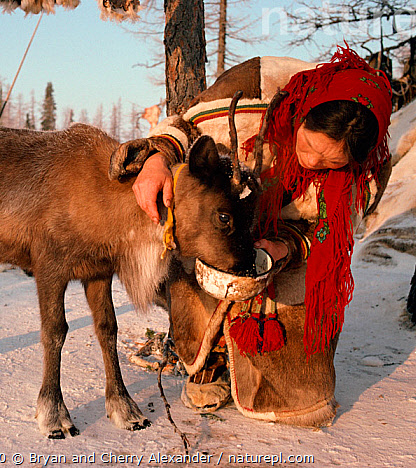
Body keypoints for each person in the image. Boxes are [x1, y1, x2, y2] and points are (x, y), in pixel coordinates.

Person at [110, 45, 393, 426]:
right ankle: (207, 356)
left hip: (290, 245)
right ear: (304, 114)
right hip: (229, 220)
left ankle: (262, 366)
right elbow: (185, 129)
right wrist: (158, 156)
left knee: (304, 396)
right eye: (308, 145)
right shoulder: (252, 92)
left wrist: (287, 247)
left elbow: (329, 232)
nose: (311, 161)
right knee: (200, 242)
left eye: (330, 162)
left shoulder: (368, 170)